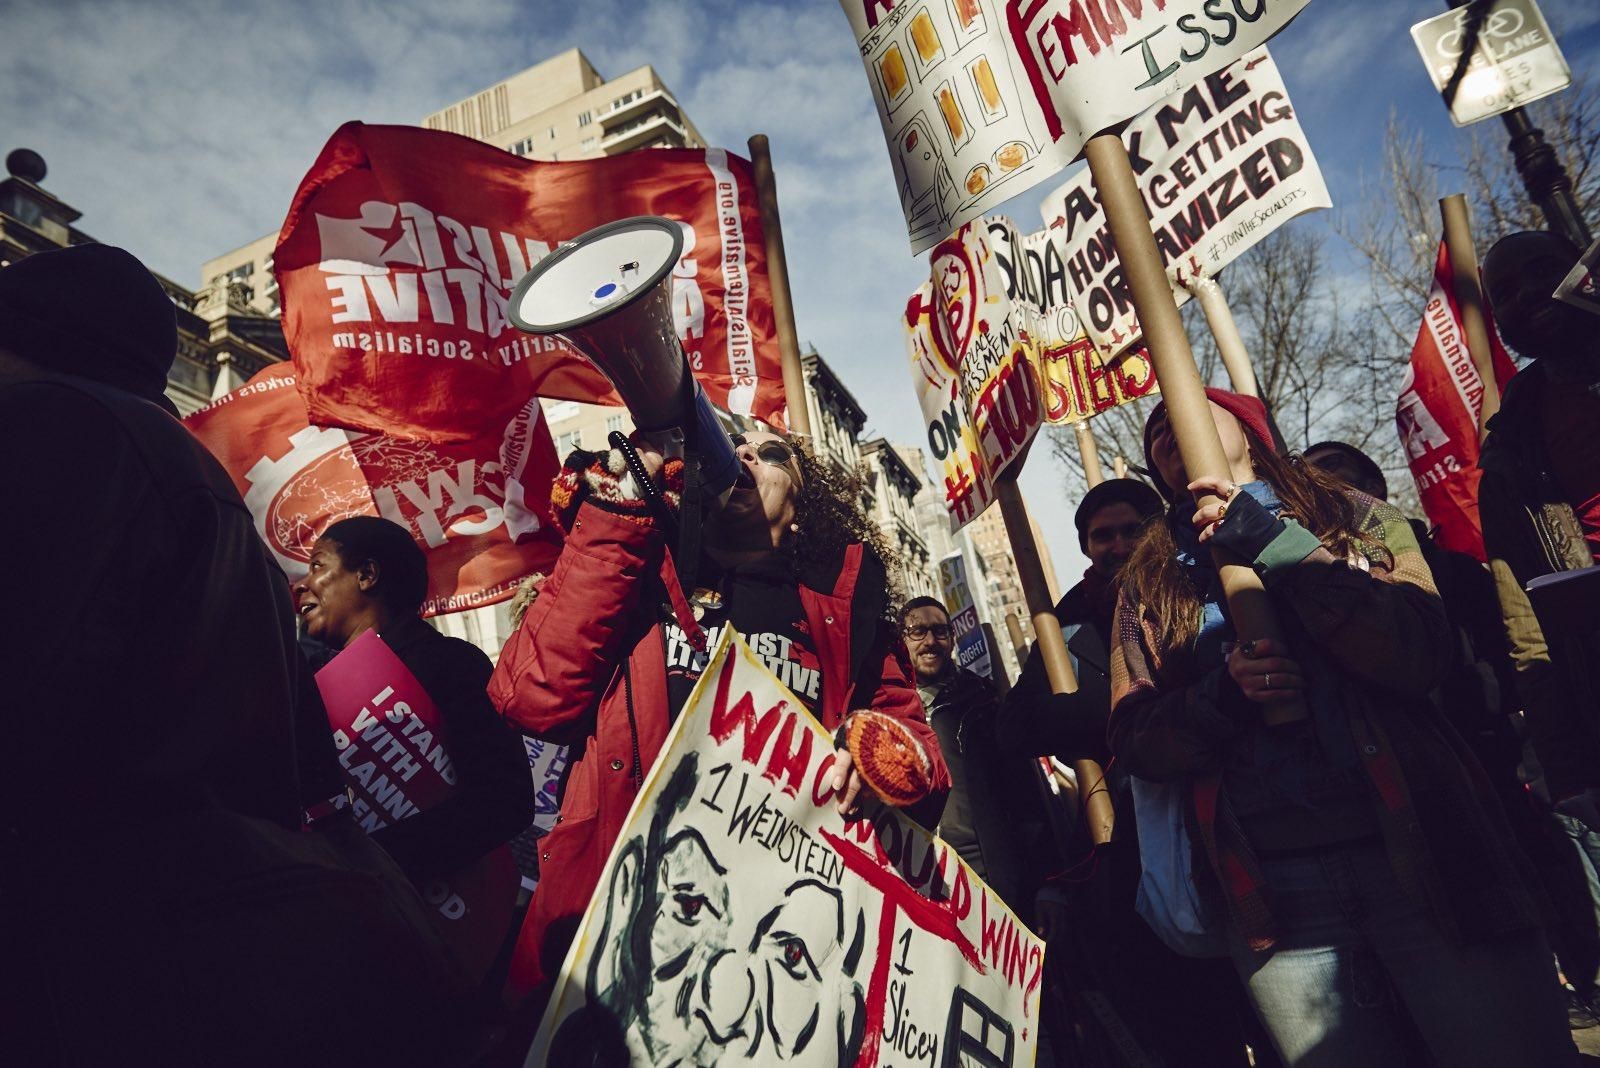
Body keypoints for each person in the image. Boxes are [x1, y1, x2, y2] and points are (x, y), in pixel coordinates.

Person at [0, 245, 468, 1064]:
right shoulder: (209, 502)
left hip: (72, 937)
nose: (309, 586)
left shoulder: (58, 428)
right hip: (172, 956)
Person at [1109, 386, 1574, 1065]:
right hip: (1271, 892)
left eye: (1187, 411)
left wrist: (1280, 548)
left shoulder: (1352, 515)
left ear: (1249, 429)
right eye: (1155, 435)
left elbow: (1418, 650)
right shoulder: (1148, 578)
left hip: (1427, 852)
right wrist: (1225, 698)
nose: (1170, 432)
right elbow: (1134, 737)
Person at [489, 428, 950, 1000]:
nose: (745, 452)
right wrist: (623, 502)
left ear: (803, 510)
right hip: (612, 920)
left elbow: (923, 761)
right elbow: (531, 696)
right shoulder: (634, 572)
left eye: (771, 451)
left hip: (763, 949)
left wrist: (877, 751)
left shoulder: (844, 616)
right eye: (733, 442)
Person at [998, 477, 1263, 1068]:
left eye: (1131, 530)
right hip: (1140, 845)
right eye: (1101, 536)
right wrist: (1094, 720)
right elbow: (1017, 726)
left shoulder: (1200, 582)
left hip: (1237, 816)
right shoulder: (1060, 619)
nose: (1117, 546)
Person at [1479, 232, 1600, 1026]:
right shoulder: (1514, 443)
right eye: (1504, 299)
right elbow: (1527, 619)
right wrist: (1569, 757)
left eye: (1537, 279)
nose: (1525, 303)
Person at [295, 515, 533, 890]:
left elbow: (505, 801)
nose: (301, 585)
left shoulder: (451, 664)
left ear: (367, 575)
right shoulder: (309, 691)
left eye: (318, 566)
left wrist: (372, 865)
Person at [899, 595, 1026, 910]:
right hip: (919, 877)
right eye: (918, 631)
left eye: (940, 631)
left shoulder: (985, 700)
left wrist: (1051, 887)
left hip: (991, 878)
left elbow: (1023, 792)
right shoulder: (889, 706)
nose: (930, 641)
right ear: (901, 639)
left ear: (952, 639)